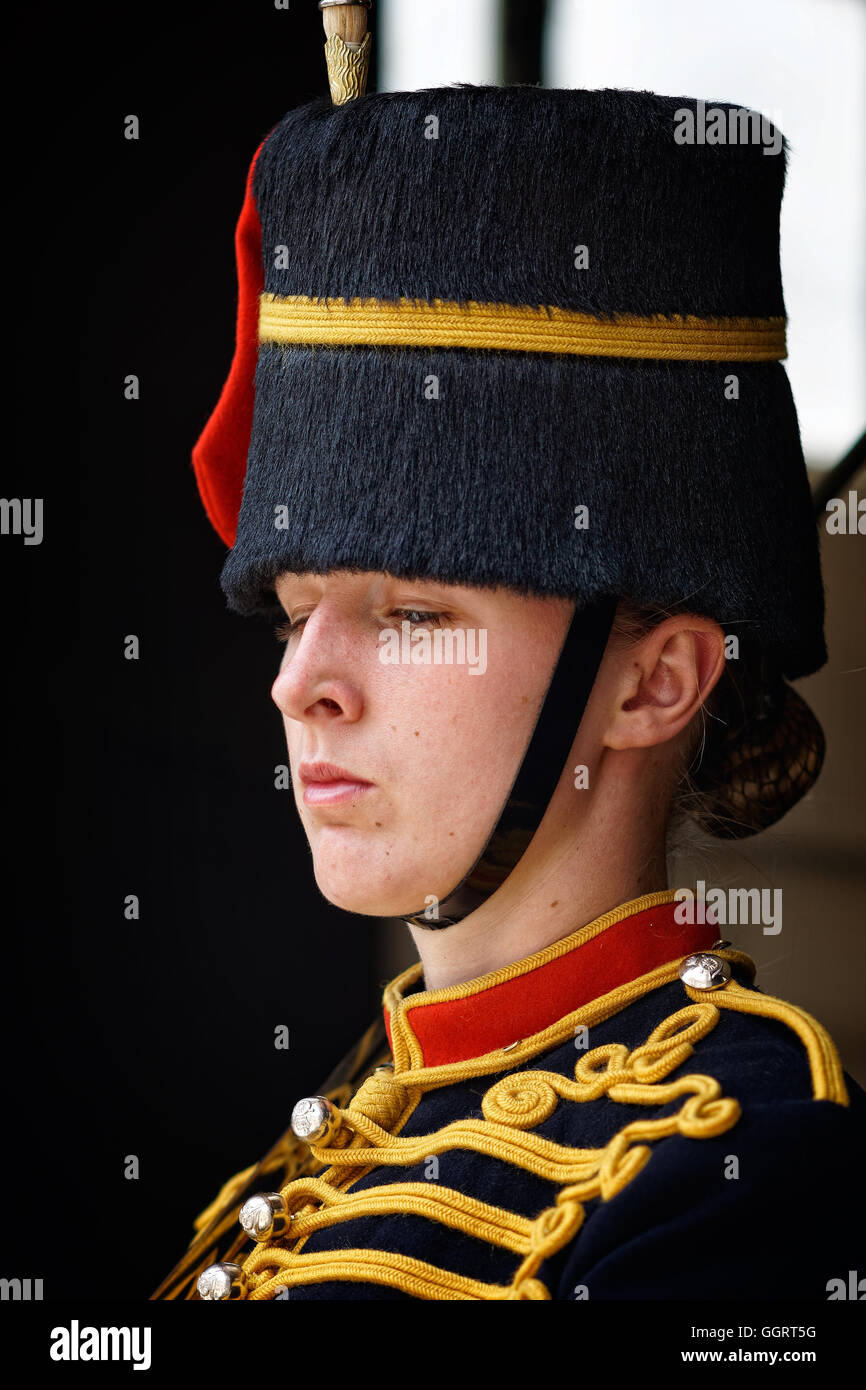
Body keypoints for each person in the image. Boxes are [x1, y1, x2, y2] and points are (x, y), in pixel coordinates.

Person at [151, 74, 865, 1301]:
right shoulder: (352, 1111)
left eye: (414, 613)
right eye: (296, 612)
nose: (299, 685)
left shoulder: (747, 1169)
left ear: (653, 685)